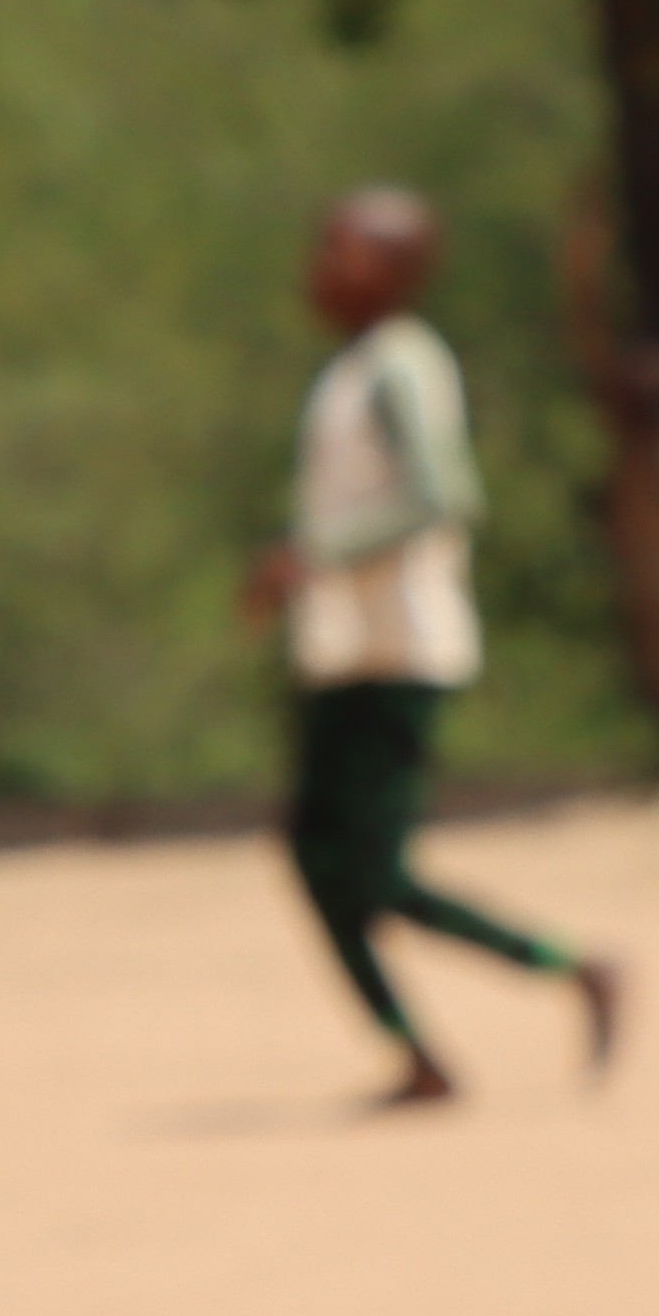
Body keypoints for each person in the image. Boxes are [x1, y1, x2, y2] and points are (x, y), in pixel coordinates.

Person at [240, 190, 626, 1108]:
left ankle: (567, 967)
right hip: (343, 650)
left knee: (369, 871)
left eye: (340, 250)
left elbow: (441, 494)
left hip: (400, 649)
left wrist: (317, 555)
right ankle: (415, 1053)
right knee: (317, 858)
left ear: (393, 268)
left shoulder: (403, 367)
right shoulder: (352, 372)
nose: (320, 267)